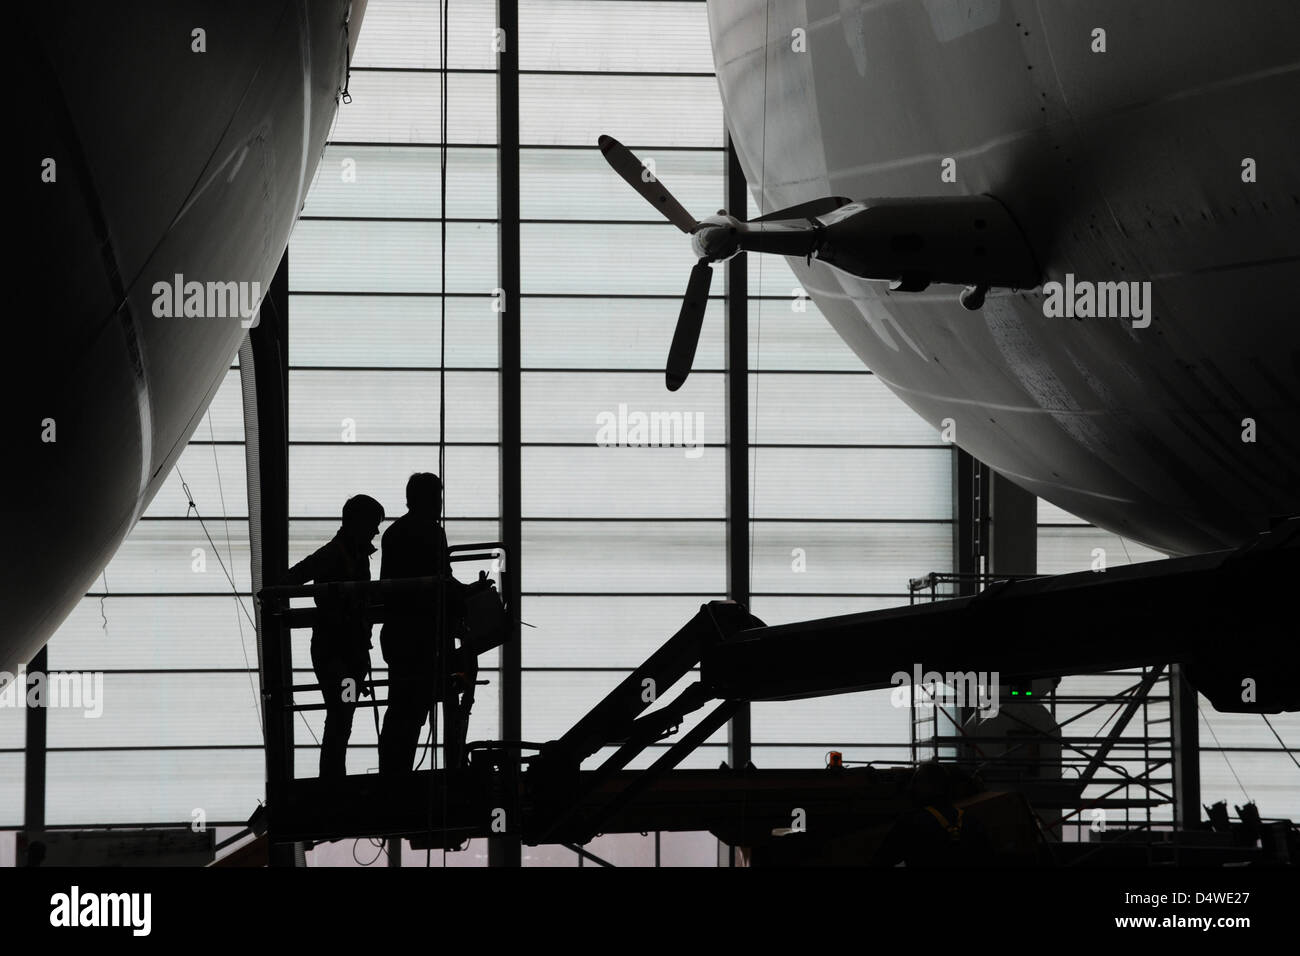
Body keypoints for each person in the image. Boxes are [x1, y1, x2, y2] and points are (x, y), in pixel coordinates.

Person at [284, 494, 385, 779]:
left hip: (345, 654)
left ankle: (332, 780)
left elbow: (293, 577)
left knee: (342, 716)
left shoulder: (348, 554)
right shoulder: (336, 554)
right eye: (373, 524)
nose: (376, 531)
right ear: (359, 522)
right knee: (341, 716)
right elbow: (294, 576)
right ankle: (332, 780)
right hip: (340, 653)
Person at [378, 472, 468, 774]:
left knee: (402, 711)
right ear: (427, 500)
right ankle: (409, 777)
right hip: (423, 637)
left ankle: (393, 774)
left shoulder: (394, 533)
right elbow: (443, 580)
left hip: (400, 636)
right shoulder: (431, 532)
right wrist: (468, 594)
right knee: (418, 708)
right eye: (436, 498)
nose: (440, 504)